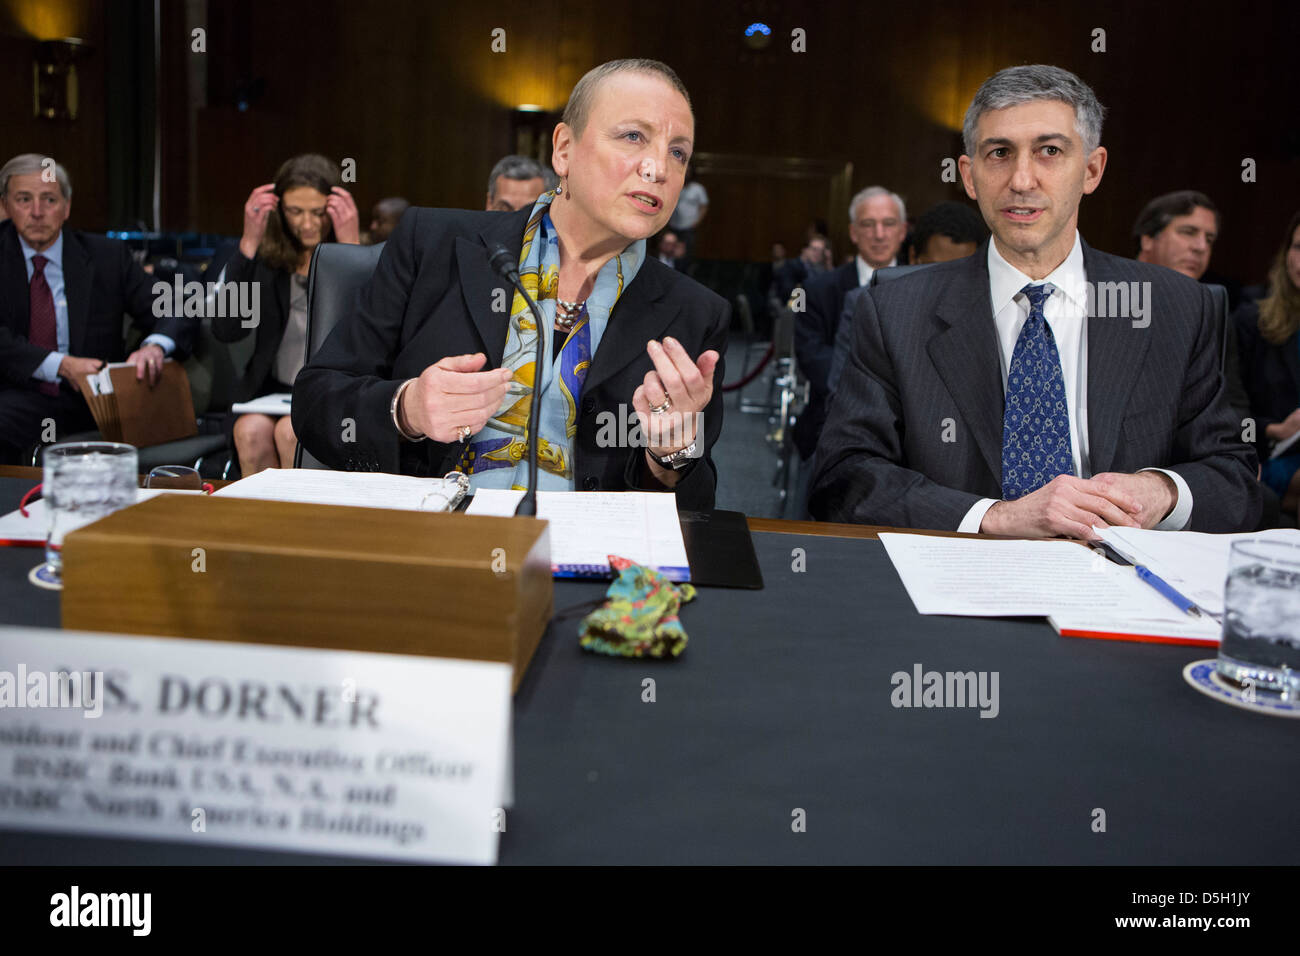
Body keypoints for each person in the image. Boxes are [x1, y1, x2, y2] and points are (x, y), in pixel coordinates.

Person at [811, 64, 1259, 536]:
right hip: (954, 583)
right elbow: (842, 476)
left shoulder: (1176, 308)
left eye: (1050, 151)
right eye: (999, 153)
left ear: (1091, 170)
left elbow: (1235, 480)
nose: (1022, 180)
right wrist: (994, 518)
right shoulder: (894, 309)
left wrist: (1163, 490)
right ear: (969, 175)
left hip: (1121, 591)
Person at [293, 59, 728, 508]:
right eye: (633, 136)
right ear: (564, 150)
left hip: (585, 561)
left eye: (678, 152)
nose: (659, 167)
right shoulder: (432, 243)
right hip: (428, 541)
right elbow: (315, 403)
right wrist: (408, 409)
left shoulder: (695, 312)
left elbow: (697, 505)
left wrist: (670, 453)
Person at [0, 154, 196, 464]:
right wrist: (62, 365)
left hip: (98, 399)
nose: (37, 212)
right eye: (24, 199)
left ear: (67, 207)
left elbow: (175, 307)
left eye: (49, 200)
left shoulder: (107, 257)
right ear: (5, 207)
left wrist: (155, 347)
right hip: (18, 393)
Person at [213, 154, 360, 474]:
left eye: (318, 213)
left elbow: (367, 331)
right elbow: (227, 329)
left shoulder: (358, 253)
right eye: (295, 212)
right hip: (272, 391)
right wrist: (249, 242)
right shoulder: (266, 260)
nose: (306, 224)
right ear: (279, 210)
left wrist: (352, 248)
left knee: (290, 433)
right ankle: (262, 524)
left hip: (332, 391)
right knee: (250, 433)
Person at [794, 186, 907, 461]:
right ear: (854, 232)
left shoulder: (927, 286)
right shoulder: (816, 290)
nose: (879, 234)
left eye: (888, 224)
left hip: (909, 431)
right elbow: (814, 360)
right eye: (868, 225)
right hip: (830, 422)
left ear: (902, 231)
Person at [827, 200, 988, 394]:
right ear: (913, 257)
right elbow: (844, 400)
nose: (949, 287)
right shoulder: (872, 306)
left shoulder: (992, 314)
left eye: (960, 273)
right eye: (937, 271)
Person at [1133, 189, 1250, 421]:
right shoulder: (1103, 294)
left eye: (1209, 239)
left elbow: (1232, 400)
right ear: (1148, 238)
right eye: (1188, 232)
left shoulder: (1212, 307)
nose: (1201, 247)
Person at [1235, 209, 1300, 519]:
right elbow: (1225, 409)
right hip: (1265, 456)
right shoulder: (1252, 319)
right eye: (1298, 247)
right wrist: (1276, 429)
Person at [667, 165, 707, 260]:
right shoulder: (674, 186)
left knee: (686, 253)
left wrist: (697, 222)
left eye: (689, 171)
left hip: (689, 227)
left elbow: (704, 206)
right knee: (669, 251)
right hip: (673, 225)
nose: (686, 173)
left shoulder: (698, 189)